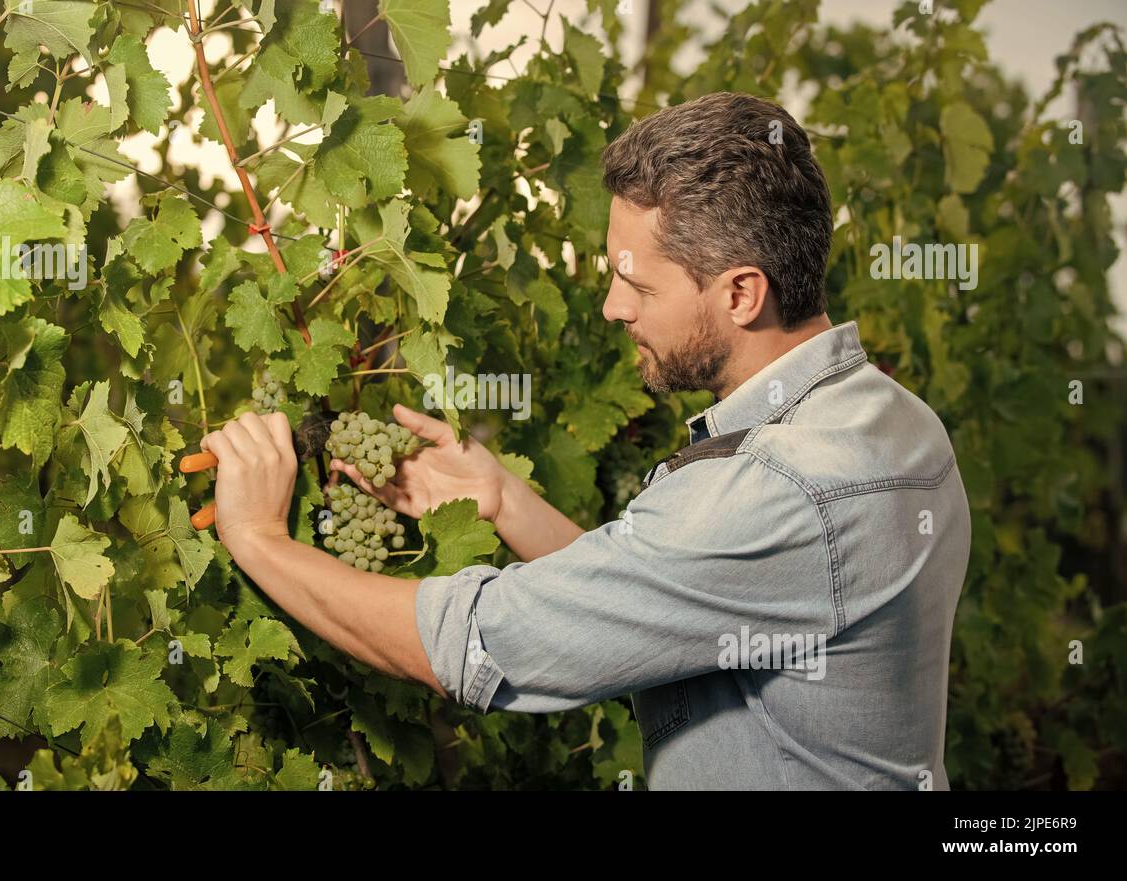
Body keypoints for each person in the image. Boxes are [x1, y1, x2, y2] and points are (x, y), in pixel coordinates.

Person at [200, 92, 971, 790]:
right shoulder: (892, 421)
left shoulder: (778, 488)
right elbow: (679, 595)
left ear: (741, 292)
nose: (610, 307)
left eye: (635, 284)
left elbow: (478, 645)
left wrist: (260, 536)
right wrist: (503, 500)